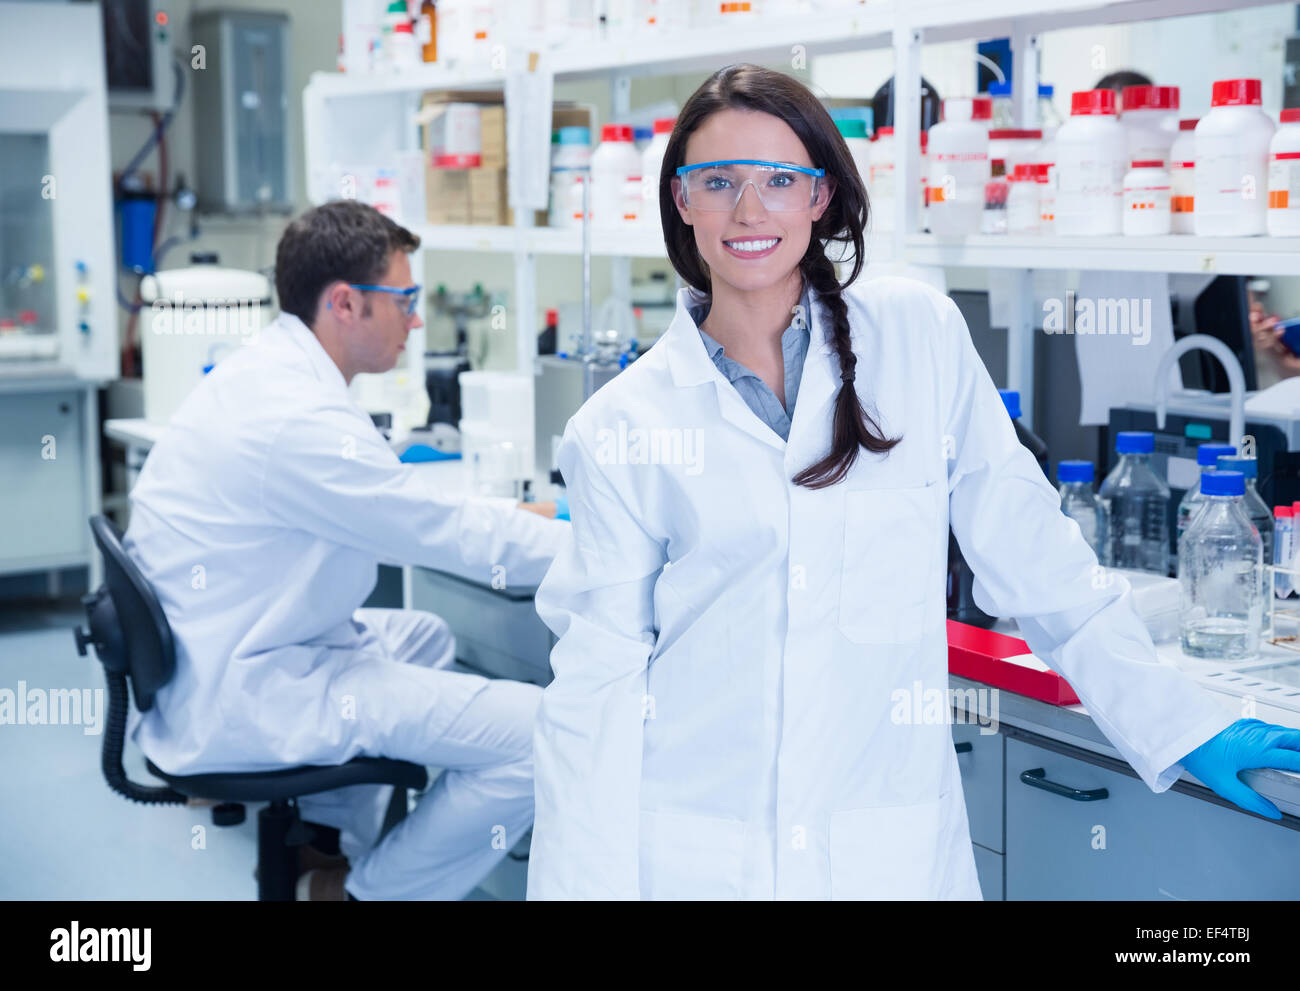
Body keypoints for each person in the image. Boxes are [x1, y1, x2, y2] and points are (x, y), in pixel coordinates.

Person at [526, 64, 1300, 900]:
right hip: (698, 858)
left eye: (780, 181)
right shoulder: (620, 426)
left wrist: (1182, 722)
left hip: (886, 856)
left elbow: (1037, 559)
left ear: (820, 197)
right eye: (718, 182)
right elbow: (595, 699)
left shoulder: (917, 336)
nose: (750, 212)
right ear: (681, 200)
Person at [124, 200, 568, 901]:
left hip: (216, 650)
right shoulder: (298, 416)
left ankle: (321, 852)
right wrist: (589, 546)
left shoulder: (273, 374)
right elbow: (437, 531)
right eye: (406, 299)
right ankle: (367, 894)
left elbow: (402, 506)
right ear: (345, 303)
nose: (416, 319)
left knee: (420, 633)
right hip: (245, 689)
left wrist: (520, 515)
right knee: (545, 733)